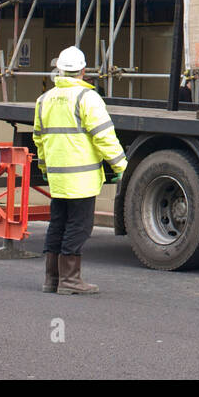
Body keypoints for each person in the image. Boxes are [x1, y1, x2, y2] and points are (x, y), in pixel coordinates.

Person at [34, 46, 128, 295]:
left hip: (57, 176)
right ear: (84, 71)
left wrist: (45, 168)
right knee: (79, 225)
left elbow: (39, 139)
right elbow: (104, 136)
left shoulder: (44, 99)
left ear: (59, 70)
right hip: (81, 178)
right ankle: (70, 280)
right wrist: (122, 166)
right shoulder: (87, 98)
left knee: (58, 223)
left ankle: (51, 279)